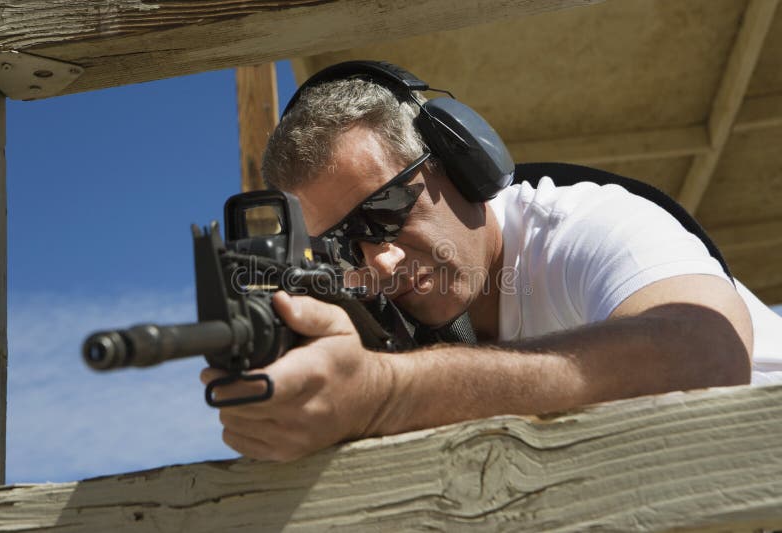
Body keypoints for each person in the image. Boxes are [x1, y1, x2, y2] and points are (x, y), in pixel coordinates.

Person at [201, 62, 780, 462]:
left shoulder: (589, 224)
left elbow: (709, 352)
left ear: (460, 162)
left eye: (387, 209)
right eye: (345, 243)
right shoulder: (383, 318)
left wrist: (385, 395)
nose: (382, 262)